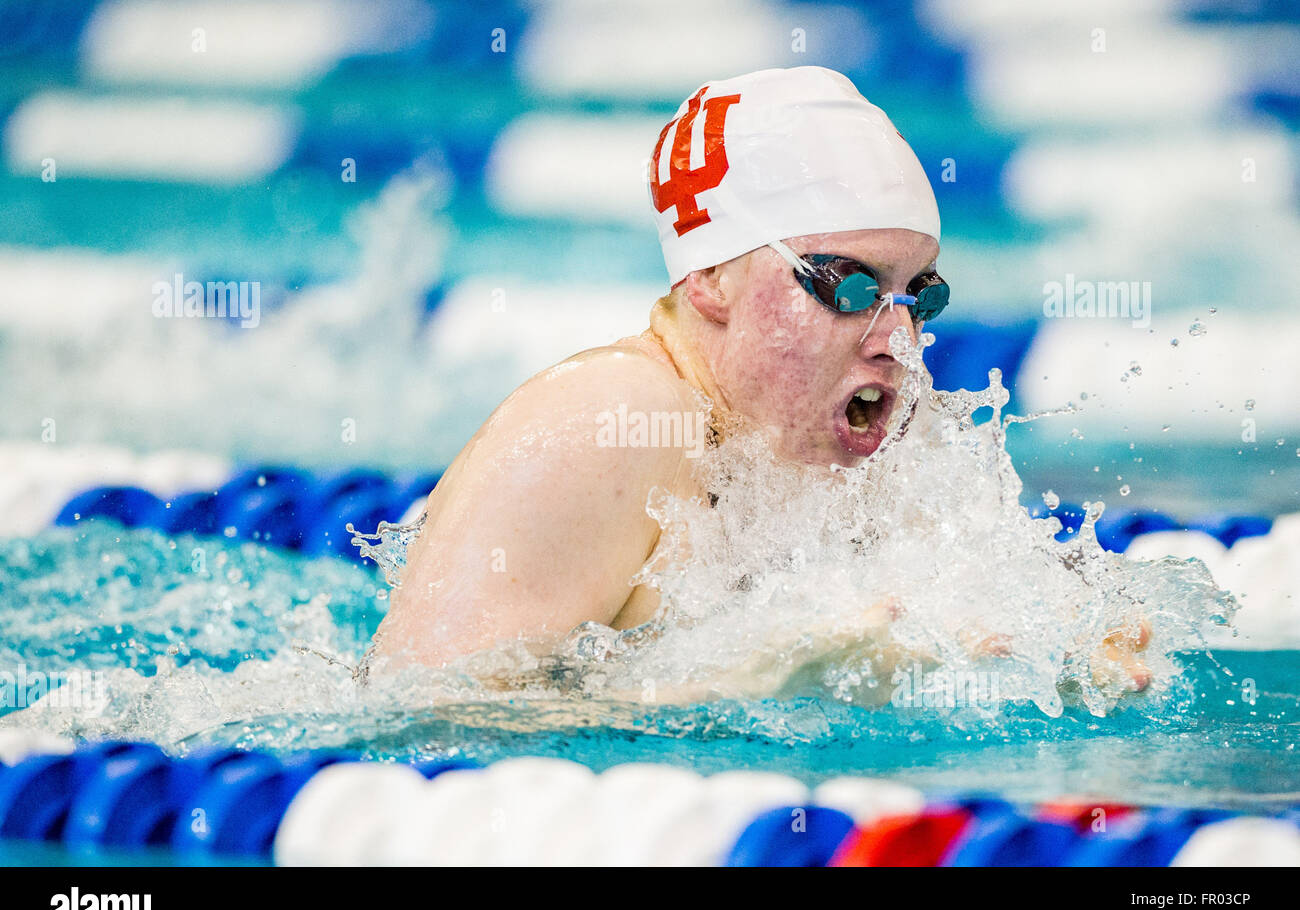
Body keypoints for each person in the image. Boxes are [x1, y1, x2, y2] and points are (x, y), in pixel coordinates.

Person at [369, 66, 1150, 694]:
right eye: (847, 286)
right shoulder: (609, 418)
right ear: (711, 278)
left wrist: (1052, 649)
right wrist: (742, 679)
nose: (898, 339)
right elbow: (422, 720)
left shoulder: (826, 442)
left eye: (921, 295)